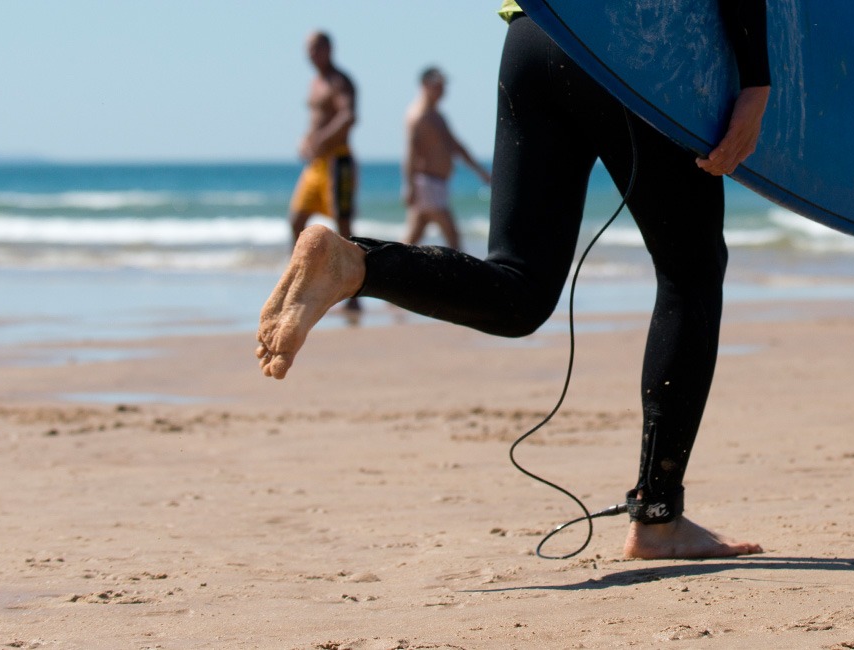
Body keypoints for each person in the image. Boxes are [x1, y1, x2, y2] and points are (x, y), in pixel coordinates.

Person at [255, 1, 770, 560]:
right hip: (638, 38)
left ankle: (356, 264)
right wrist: (756, 80)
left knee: (520, 286)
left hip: (534, 35)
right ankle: (658, 518)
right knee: (690, 272)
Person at [288, 31, 361, 312]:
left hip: (338, 161)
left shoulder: (340, 81)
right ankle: (299, 284)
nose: (310, 54)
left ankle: (354, 294)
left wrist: (321, 139)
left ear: (329, 49)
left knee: (343, 227)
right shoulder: (315, 83)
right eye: (308, 49)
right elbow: (317, 120)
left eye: (316, 48)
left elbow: (348, 116)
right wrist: (306, 141)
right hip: (315, 165)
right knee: (296, 220)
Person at [404, 67, 492, 252]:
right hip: (428, 183)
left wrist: (480, 171)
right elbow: (410, 153)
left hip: (437, 183)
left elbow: (456, 146)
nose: (443, 90)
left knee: (412, 238)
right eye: (438, 86)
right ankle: (463, 271)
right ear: (425, 85)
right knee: (453, 236)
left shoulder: (437, 116)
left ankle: (385, 266)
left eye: (443, 86)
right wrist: (409, 185)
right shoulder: (418, 116)